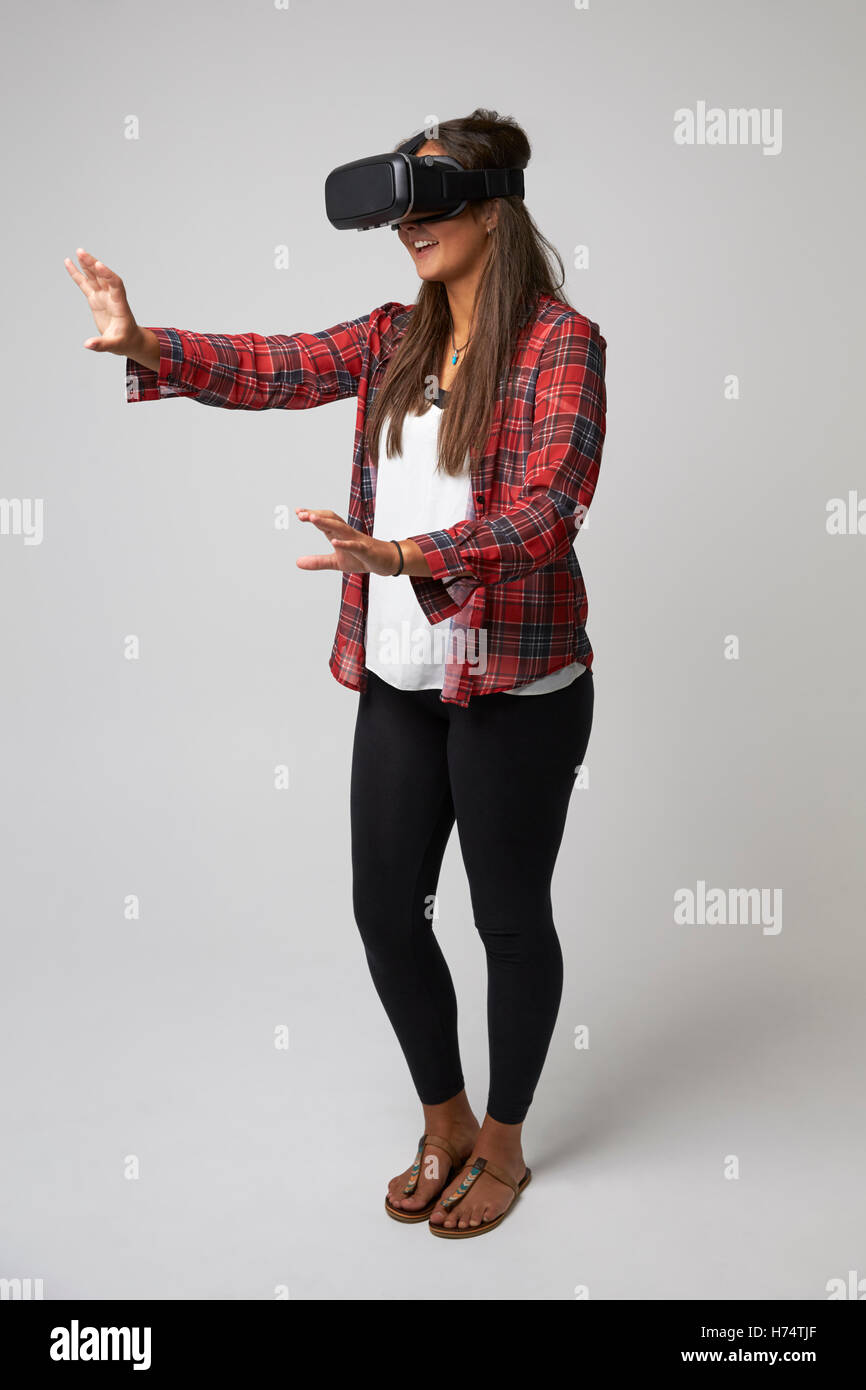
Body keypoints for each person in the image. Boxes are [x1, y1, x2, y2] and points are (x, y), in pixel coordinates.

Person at [64, 107, 607, 1240]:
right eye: (399, 209)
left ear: (493, 208)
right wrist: (145, 340)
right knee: (383, 909)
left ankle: (503, 1143)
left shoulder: (562, 343)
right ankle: (445, 1119)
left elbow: (549, 509)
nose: (409, 227)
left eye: (431, 204)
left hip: (514, 681)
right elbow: (275, 365)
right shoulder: (391, 336)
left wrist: (407, 556)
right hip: (404, 672)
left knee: (506, 918)